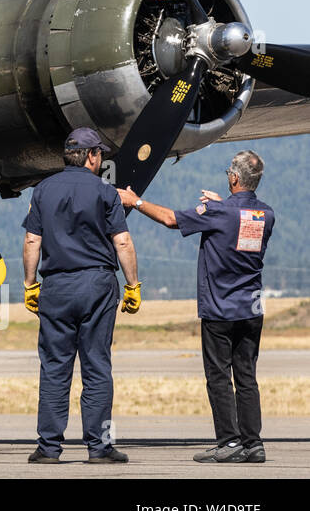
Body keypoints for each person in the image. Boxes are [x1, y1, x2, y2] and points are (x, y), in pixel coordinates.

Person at [117, 150, 273, 463]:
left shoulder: (219, 212)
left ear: (233, 177)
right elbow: (236, 220)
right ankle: (253, 443)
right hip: (251, 308)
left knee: (218, 376)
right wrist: (221, 205)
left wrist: (134, 200)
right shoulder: (265, 214)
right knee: (246, 376)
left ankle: (229, 442)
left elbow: (170, 219)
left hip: (219, 308)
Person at [22, 127, 141, 463]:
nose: (101, 159)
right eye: (100, 154)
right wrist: (133, 285)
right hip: (97, 286)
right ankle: (99, 448)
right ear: (91, 156)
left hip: (56, 286)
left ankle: (48, 449)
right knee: (97, 367)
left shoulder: (43, 191)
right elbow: (123, 242)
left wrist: (31, 284)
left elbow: (32, 241)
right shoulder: (106, 192)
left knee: (55, 367)